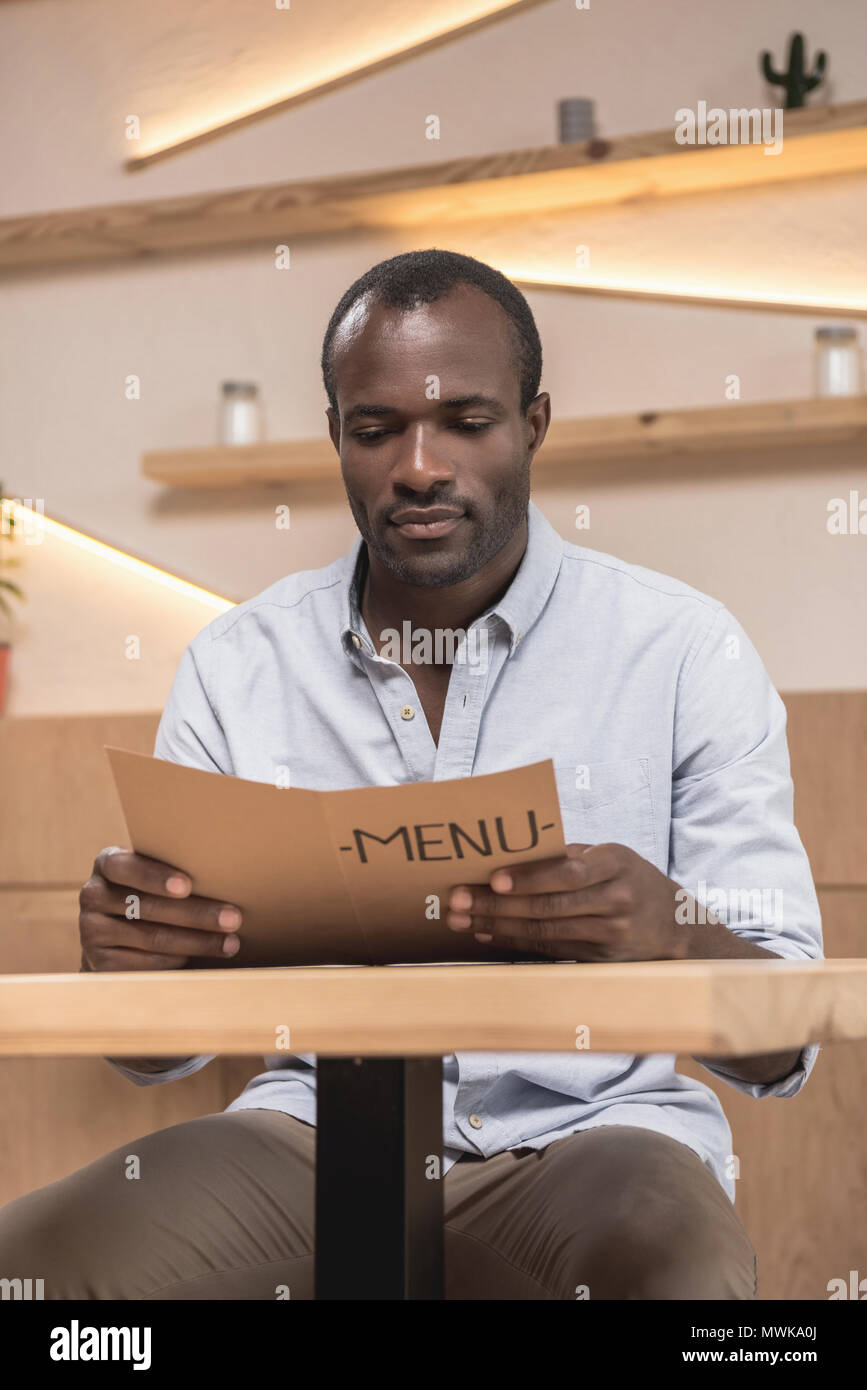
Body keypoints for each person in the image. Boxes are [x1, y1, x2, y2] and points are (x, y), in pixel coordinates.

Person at [0, 249, 822, 1300]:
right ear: (338, 435)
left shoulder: (682, 651)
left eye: (467, 423)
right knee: (28, 1276)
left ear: (535, 425)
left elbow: (788, 1035)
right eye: (377, 429)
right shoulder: (238, 664)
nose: (419, 466)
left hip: (595, 1140)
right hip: (308, 1142)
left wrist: (675, 930)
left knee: (686, 1286)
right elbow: (158, 1055)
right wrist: (130, 970)